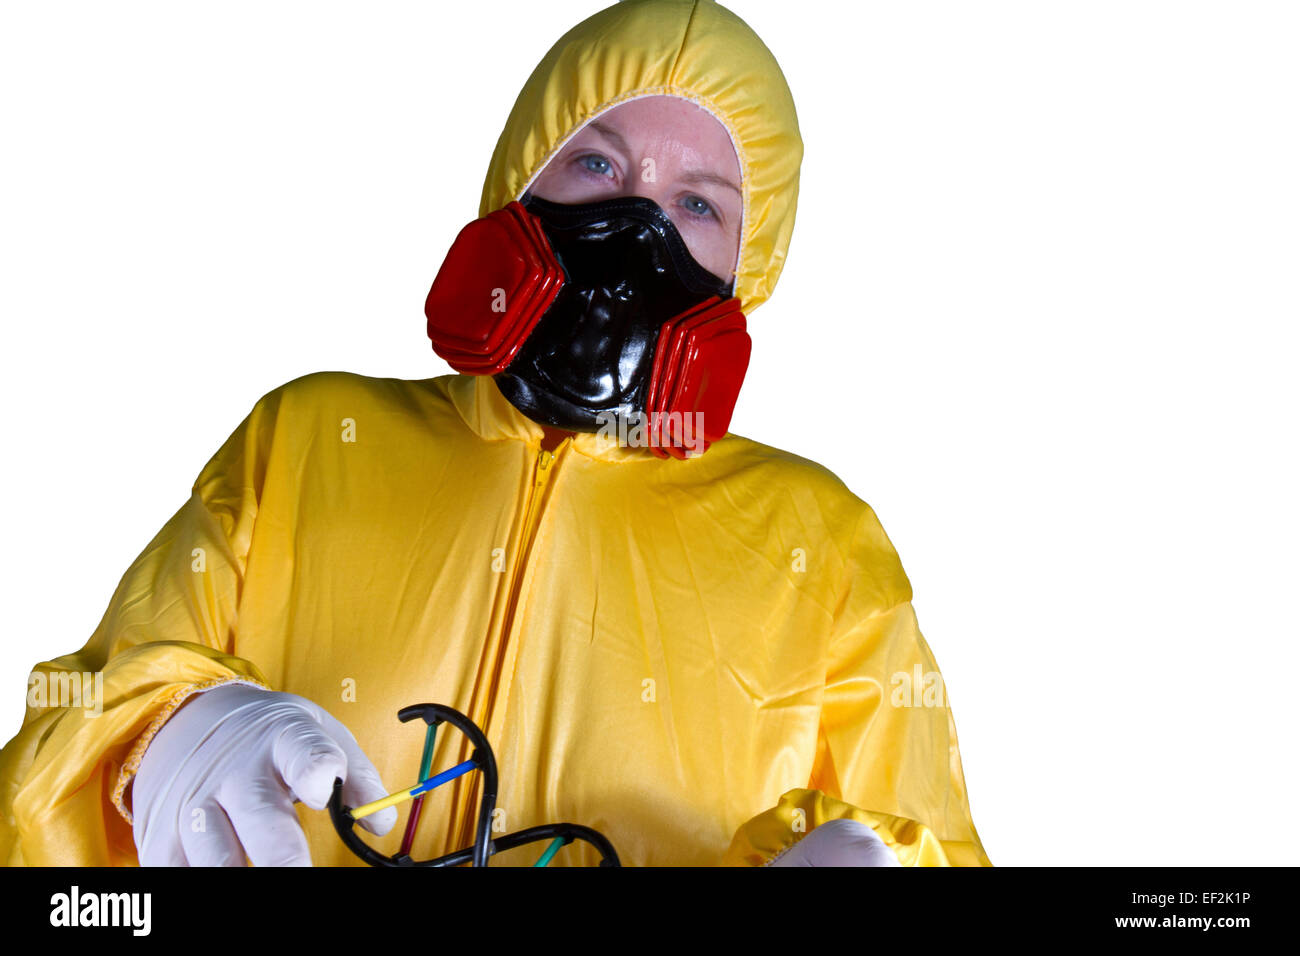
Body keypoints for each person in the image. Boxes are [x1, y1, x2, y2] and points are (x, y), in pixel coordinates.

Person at [0, 0, 991, 867]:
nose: (634, 220)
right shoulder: (306, 443)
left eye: (697, 204)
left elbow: (930, 840)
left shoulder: (818, 548)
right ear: (516, 182)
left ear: (748, 266)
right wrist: (153, 747)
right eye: (597, 160)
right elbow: (56, 766)